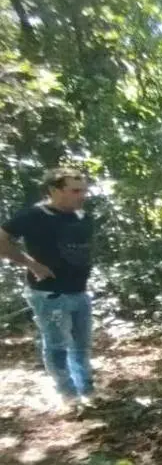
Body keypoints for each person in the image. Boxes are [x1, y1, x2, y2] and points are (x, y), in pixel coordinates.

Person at [0, 168, 95, 407]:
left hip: (79, 291)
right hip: (49, 294)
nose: (82, 195)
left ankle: (86, 389)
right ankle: (68, 394)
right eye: (75, 191)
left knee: (81, 345)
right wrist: (31, 264)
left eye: (84, 190)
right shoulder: (34, 215)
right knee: (57, 345)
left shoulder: (80, 216)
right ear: (54, 190)